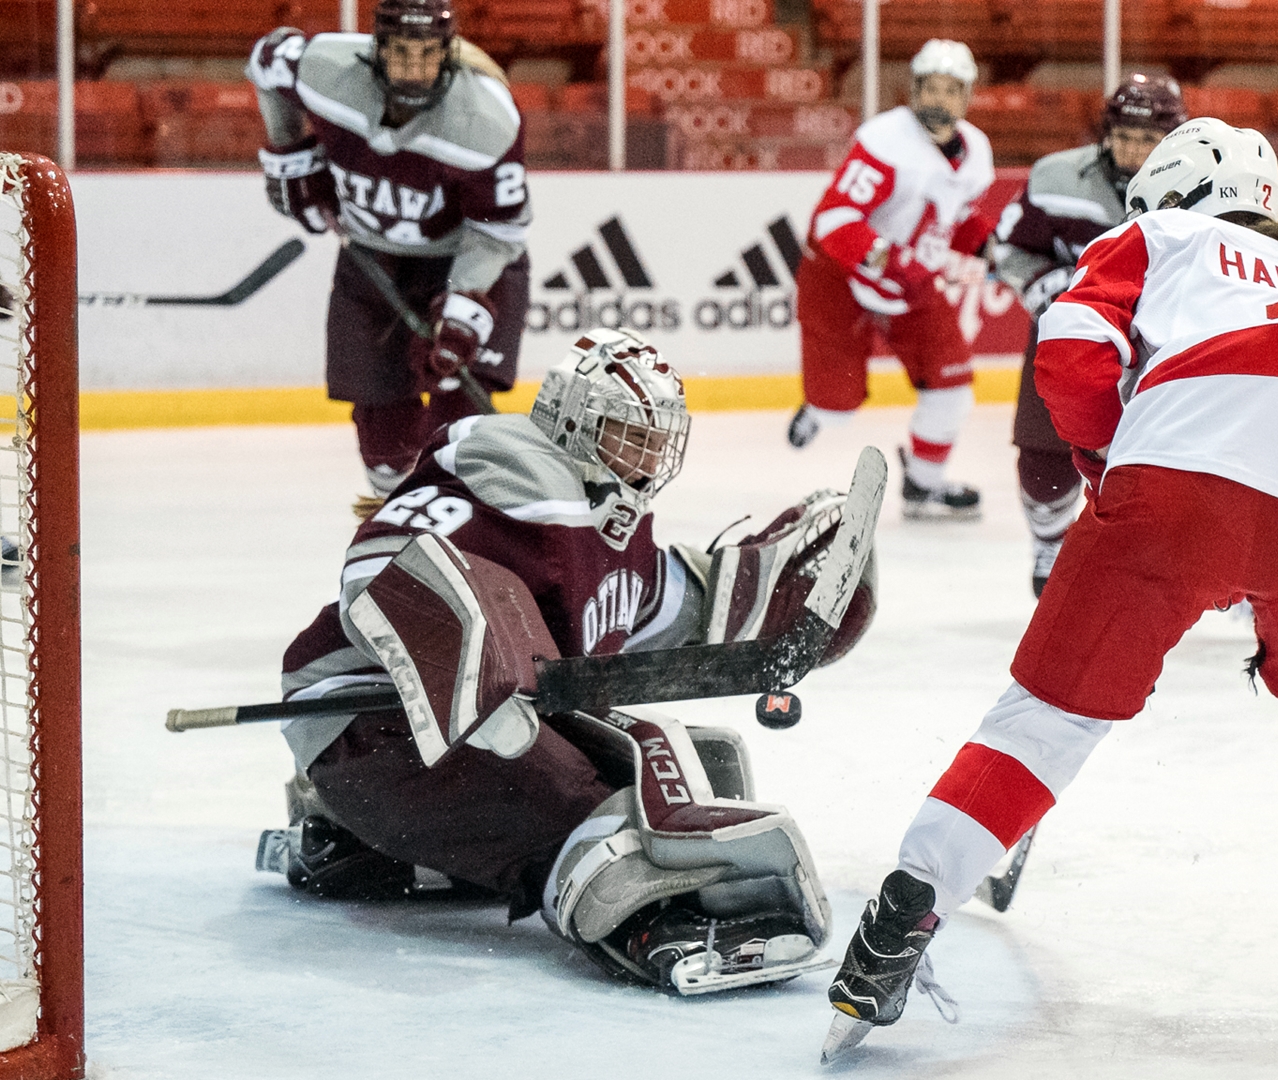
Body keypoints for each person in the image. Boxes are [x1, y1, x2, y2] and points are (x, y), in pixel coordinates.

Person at [819, 119, 1278, 1062]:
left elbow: (1071, 350)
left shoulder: (1157, 238)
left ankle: (899, 923)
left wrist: (1108, 459)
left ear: (1176, 193)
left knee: (1043, 722)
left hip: (1178, 493)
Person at [265, 327, 877, 992]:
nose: (645, 454)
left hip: (455, 738)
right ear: (573, 421)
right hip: (373, 722)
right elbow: (379, 561)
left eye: (655, 438)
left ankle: (353, 839)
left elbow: (666, 608)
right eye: (627, 432)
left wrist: (783, 600)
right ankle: (655, 914)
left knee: (691, 764)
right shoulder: (513, 471)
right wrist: (473, 649)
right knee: (597, 812)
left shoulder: (611, 521)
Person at [248, 0, 532, 497]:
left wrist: (462, 309)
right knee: (383, 439)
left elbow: (498, 232)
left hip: (463, 262)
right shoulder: (329, 72)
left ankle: (469, 536)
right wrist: (291, 154)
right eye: (401, 52)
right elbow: (267, 60)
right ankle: (393, 537)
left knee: (460, 427)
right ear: (376, 48)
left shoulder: (485, 118)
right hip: (371, 260)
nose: (414, 69)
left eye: (427, 54)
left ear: (448, 53)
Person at [993, 73, 1186, 596]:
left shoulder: (1201, 183)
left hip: (1164, 345)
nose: (1133, 149)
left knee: (1185, 456)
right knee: (1043, 458)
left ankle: (1211, 559)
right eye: (1124, 135)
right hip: (1072, 333)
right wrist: (1042, 284)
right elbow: (1007, 247)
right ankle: (1050, 539)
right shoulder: (1057, 178)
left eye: (1148, 140)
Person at [789, 39, 998, 520]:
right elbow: (834, 221)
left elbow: (958, 219)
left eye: (952, 90)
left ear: (966, 97)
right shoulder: (885, 140)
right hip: (841, 277)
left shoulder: (977, 151)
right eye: (931, 88)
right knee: (837, 409)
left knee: (953, 390)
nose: (939, 100)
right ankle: (818, 409)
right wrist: (892, 260)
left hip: (911, 283)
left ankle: (924, 487)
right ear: (914, 90)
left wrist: (996, 248)